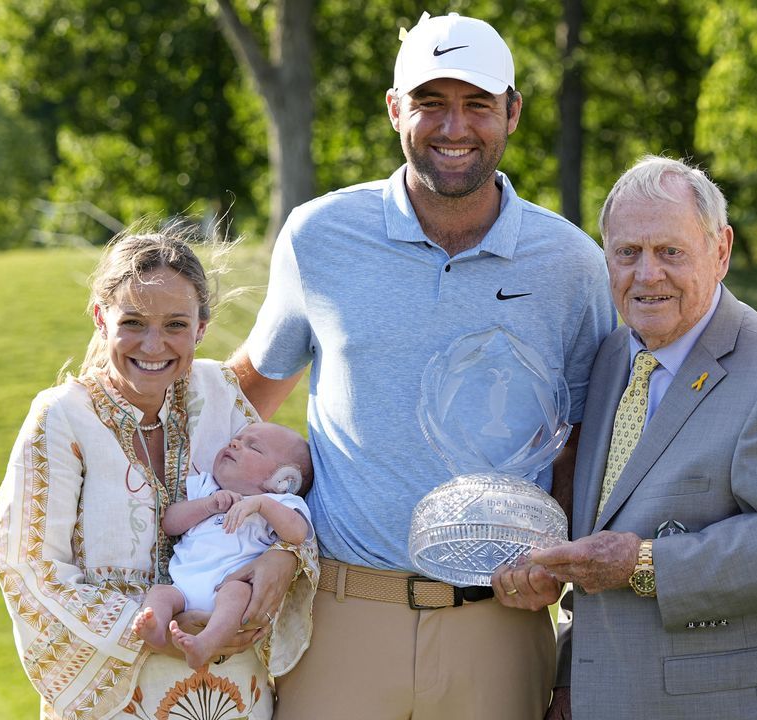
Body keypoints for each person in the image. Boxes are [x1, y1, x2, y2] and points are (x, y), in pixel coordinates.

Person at [228, 11, 615, 720]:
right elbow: (248, 388)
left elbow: (588, 445)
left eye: (477, 104)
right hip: (340, 621)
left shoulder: (572, 265)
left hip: (498, 625)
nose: (453, 127)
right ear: (394, 109)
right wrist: (117, 409)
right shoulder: (321, 236)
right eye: (430, 102)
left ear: (514, 113)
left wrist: (566, 592)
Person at [495, 156, 757, 719]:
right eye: (627, 253)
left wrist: (645, 563)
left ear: (721, 251)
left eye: (670, 252)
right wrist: (570, 680)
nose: (647, 274)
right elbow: (600, 541)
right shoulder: (614, 357)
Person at [0, 227, 317, 719]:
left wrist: (285, 560)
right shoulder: (62, 417)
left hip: (235, 692)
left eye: (174, 324)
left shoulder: (218, 392)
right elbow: (31, 570)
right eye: (134, 322)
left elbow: (289, 505)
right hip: (118, 694)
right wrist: (151, 630)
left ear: (202, 327)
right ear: (102, 318)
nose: (153, 344)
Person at [133, 422, 314, 670]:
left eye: (254, 447)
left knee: (236, 595)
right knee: (160, 595)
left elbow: (297, 533)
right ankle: (155, 628)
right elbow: (170, 524)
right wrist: (208, 505)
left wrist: (261, 505)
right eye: (237, 438)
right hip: (183, 587)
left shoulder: (279, 502)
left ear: (284, 479)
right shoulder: (207, 487)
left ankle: (204, 645)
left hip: (227, 586)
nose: (235, 443)